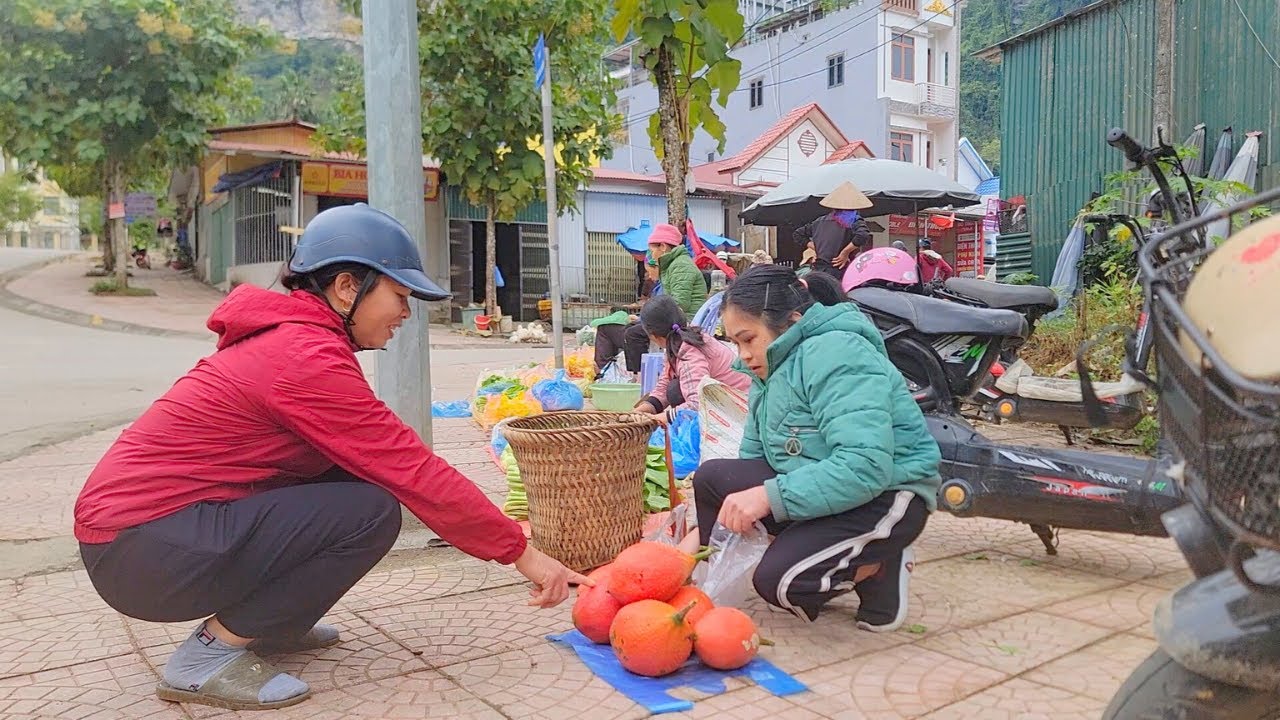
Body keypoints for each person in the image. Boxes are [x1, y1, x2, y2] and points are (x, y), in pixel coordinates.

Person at [73, 204, 590, 712]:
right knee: (369, 513)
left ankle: (272, 623)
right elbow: (412, 467)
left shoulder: (298, 340)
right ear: (347, 288)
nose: (406, 315)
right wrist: (521, 553)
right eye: (399, 296)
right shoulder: (302, 356)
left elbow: (378, 462)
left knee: (354, 480)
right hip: (140, 550)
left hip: (151, 536)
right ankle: (204, 659)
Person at [678, 265, 941, 630]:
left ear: (791, 322)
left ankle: (878, 565)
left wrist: (770, 498)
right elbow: (753, 462)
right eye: (735, 343)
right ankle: (809, 549)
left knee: (780, 583)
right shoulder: (768, 368)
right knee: (712, 478)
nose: (742, 356)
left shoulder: (838, 352)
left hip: (887, 492)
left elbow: (864, 465)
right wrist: (690, 547)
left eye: (748, 339)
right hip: (820, 480)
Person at [634, 296, 751, 415]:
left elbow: (696, 404)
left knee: (675, 391)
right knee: (673, 387)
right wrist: (643, 409)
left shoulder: (689, 351)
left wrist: (662, 418)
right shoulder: (680, 342)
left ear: (653, 336)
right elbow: (664, 383)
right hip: (729, 400)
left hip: (740, 407)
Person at [793, 182, 874, 279]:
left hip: (818, 271)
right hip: (839, 270)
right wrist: (845, 252)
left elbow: (798, 234)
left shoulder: (820, 221)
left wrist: (817, 248)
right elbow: (863, 235)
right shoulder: (853, 220)